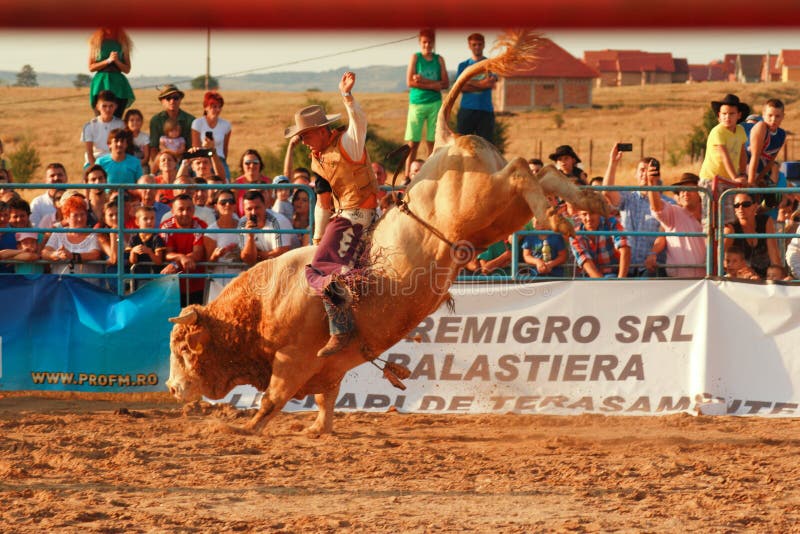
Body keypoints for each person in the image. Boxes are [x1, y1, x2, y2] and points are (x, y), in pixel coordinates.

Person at [284, 71, 379, 357]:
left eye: (306, 135)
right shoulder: (317, 160)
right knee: (326, 262)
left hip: (356, 215)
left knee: (318, 268)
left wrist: (347, 97)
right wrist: (316, 236)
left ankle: (340, 330)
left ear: (324, 130)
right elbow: (322, 203)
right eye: (300, 137)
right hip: (347, 215)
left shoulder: (348, 143)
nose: (302, 142)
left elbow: (359, 122)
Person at [603, 144, 673, 277]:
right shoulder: (628, 197)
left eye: (648, 170)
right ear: (635, 174)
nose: (644, 174)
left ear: (656, 174)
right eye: (641, 170)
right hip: (625, 266)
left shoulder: (668, 204)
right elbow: (607, 191)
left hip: (652, 267)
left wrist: (653, 254)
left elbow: (664, 235)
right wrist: (613, 162)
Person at [699, 93, 750, 226]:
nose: (727, 117)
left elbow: (742, 153)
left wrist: (743, 173)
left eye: (731, 113)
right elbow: (724, 155)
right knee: (711, 219)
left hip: (728, 180)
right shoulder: (718, 132)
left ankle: (724, 246)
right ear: (719, 116)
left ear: (739, 115)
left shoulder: (740, 130)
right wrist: (735, 178)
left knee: (729, 220)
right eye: (724, 114)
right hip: (711, 179)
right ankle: (710, 246)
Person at [404, 28, 449, 179]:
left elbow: (445, 83)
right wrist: (433, 85)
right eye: (424, 42)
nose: (427, 45)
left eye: (430, 42)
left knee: (432, 142)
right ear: (420, 42)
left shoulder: (439, 59)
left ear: (433, 43)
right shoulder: (415, 58)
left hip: (434, 103)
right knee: (413, 143)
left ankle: (432, 174)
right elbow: (410, 82)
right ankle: (406, 176)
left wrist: (423, 81)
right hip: (417, 103)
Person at [645, 173, 706, 278]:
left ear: (700, 193)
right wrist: (651, 183)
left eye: (690, 189)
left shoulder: (711, 216)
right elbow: (657, 208)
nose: (685, 193)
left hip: (707, 280)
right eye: (682, 190)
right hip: (678, 282)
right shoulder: (674, 213)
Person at [160, 193, 207, 306]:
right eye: (181, 209)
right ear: (173, 211)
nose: (185, 213)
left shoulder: (200, 225)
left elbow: (198, 253)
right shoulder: (166, 226)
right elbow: (167, 253)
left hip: (196, 284)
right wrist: (181, 257)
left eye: (189, 209)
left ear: (194, 210)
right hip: (172, 286)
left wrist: (176, 264)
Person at [41, 195, 102, 280]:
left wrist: (71, 256)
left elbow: (95, 255)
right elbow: (44, 253)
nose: (80, 219)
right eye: (75, 215)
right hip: (62, 286)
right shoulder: (58, 233)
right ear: (66, 218)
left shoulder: (94, 234)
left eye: (82, 214)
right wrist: (56, 254)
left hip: (88, 288)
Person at [723, 192, 780, 278]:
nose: (740, 208)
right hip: (740, 278)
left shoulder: (766, 221)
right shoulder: (730, 229)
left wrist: (778, 277)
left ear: (755, 206)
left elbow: (774, 256)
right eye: (736, 205)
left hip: (764, 278)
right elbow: (721, 261)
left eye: (746, 204)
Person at [456, 32, 497, 141]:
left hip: (485, 111)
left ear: (483, 45)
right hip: (466, 110)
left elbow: (490, 84)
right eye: (474, 45)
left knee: (486, 147)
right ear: (469, 46)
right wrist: (482, 84)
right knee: (462, 145)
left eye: (479, 44)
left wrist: (469, 82)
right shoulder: (463, 66)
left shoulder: (491, 64)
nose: (477, 47)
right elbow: (461, 87)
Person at [203, 189, 241, 301]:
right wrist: (215, 256)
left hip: (241, 281)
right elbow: (209, 266)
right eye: (223, 202)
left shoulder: (244, 226)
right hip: (219, 284)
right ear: (216, 206)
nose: (227, 204)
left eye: (231, 201)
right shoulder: (211, 231)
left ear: (235, 205)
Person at [88, 27, 134, 118]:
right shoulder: (96, 42)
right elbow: (91, 67)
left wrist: (117, 62)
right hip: (101, 82)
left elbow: (127, 69)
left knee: (117, 118)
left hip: (118, 84)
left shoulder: (123, 43)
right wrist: (108, 61)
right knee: (100, 118)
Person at [570, 210, 631, 278]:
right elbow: (585, 261)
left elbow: (625, 248)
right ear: (579, 215)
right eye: (584, 214)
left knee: (610, 277)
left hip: (613, 273)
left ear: (599, 213)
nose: (589, 218)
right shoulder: (575, 233)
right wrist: (602, 285)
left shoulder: (611, 222)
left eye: (592, 213)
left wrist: (620, 280)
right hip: (588, 277)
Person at [239, 190, 293, 266]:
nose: (253, 212)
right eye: (249, 209)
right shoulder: (242, 223)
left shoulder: (278, 221)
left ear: (265, 206)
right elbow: (248, 259)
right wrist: (250, 237)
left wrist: (256, 255)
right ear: (244, 210)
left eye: (257, 208)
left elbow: (281, 255)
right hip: (265, 269)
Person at [149, 84, 195, 164]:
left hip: (185, 161)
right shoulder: (156, 120)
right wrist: (158, 167)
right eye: (168, 98)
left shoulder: (191, 120)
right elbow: (154, 148)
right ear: (162, 101)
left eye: (176, 98)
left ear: (180, 99)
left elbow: (192, 147)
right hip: (163, 161)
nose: (172, 101)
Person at [191, 91, 232, 179]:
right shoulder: (198, 123)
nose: (217, 110)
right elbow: (195, 147)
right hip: (202, 160)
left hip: (219, 159)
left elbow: (225, 148)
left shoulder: (226, 125)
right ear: (206, 108)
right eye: (214, 107)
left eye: (219, 107)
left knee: (225, 182)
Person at [745, 99, 786, 187]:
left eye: (777, 116)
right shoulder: (761, 127)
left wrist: (760, 178)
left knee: (786, 195)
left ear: (783, 116)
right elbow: (754, 157)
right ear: (763, 115)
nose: (773, 119)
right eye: (770, 115)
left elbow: (771, 161)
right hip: (746, 171)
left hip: (760, 173)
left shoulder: (781, 134)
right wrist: (751, 183)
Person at [81, 90, 125, 167]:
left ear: (116, 106)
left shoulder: (121, 124)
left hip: (114, 161)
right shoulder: (89, 126)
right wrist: (95, 168)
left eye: (111, 106)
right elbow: (89, 152)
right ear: (97, 107)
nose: (108, 109)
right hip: (94, 161)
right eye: (104, 106)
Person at [127, 205, 166, 290]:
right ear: (137, 222)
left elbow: (159, 261)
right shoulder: (134, 237)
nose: (149, 221)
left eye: (152, 218)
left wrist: (149, 252)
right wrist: (133, 252)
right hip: (138, 277)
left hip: (154, 277)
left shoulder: (157, 238)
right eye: (145, 219)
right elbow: (132, 261)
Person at [234, 149, 272, 216]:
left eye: (255, 162)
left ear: (260, 164)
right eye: (247, 163)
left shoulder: (268, 183)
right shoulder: (236, 185)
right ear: (242, 165)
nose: (252, 165)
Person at [124, 109, 150, 174]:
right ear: (127, 123)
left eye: (138, 120)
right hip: (126, 164)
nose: (135, 122)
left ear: (142, 122)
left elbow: (146, 158)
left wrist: (136, 165)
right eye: (132, 120)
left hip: (141, 164)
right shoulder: (123, 137)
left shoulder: (145, 137)